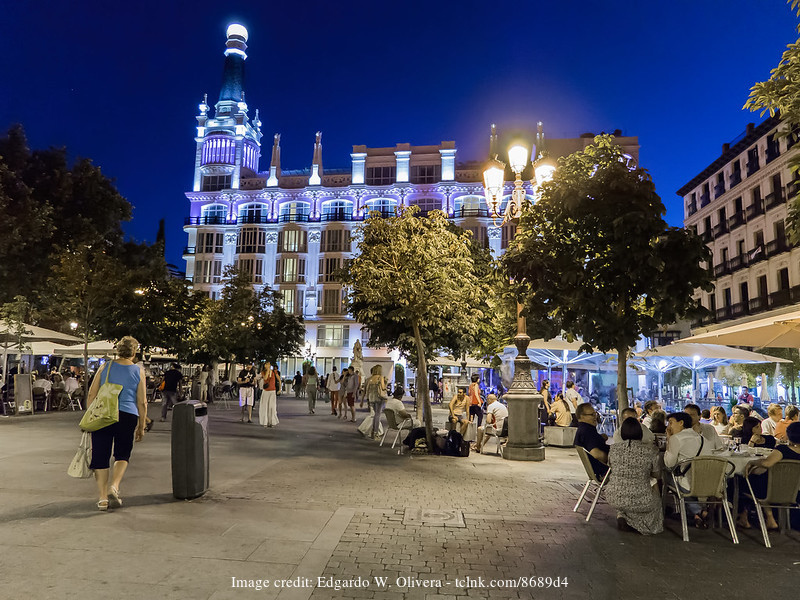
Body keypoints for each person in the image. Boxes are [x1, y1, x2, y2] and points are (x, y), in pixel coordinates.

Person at [86, 336, 147, 511]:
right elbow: (142, 401)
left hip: (104, 413)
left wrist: (91, 415)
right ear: (134, 352)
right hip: (128, 415)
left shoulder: (106, 366)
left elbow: (91, 394)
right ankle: (115, 486)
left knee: (100, 455)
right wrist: (141, 425)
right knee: (122, 453)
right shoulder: (138, 371)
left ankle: (103, 498)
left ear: (117, 350)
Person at [737, 422, 800, 530]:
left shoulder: (783, 449)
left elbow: (767, 463)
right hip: (795, 492)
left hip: (772, 490)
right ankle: (764, 518)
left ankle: (756, 517)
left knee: (742, 481)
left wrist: (753, 462)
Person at [606, 417, 663, 534]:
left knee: (627, 500)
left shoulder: (613, 449)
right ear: (641, 432)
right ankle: (637, 524)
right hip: (641, 498)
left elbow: (611, 466)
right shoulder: (651, 450)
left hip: (614, 496)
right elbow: (656, 475)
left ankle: (623, 516)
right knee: (656, 499)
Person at [664, 411, 712, 527]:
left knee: (666, 476)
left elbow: (669, 464)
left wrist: (669, 441)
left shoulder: (676, 439)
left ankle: (697, 512)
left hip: (687, 484)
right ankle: (698, 514)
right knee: (683, 481)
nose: (668, 427)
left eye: (671, 423)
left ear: (681, 423)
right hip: (709, 483)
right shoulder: (703, 439)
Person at [574, 402, 610, 476]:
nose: (595, 417)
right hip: (605, 471)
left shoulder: (583, 430)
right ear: (582, 416)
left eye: (595, 414)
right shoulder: (588, 432)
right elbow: (596, 454)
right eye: (592, 415)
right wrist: (613, 457)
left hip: (596, 470)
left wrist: (601, 438)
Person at [360, 365, 389, 439]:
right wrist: (385, 383)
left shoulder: (369, 379)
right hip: (379, 398)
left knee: (373, 415)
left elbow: (364, 391)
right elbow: (383, 387)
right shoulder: (380, 378)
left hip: (371, 398)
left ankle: (372, 431)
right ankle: (375, 432)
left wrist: (362, 401)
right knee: (377, 415)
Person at [259, 361, 280, 427]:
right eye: (267, 364)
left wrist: (279, 389)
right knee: (265, 406)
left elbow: (279, 380)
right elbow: (265, 378)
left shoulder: (274, 372)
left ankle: (272, 421)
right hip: (266, 391)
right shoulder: (263, 372)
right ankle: (265, 421)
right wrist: (268, 371)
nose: (268, 365)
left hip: (272, 391)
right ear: (264, 365)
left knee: (272, 407)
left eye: (269, 364)